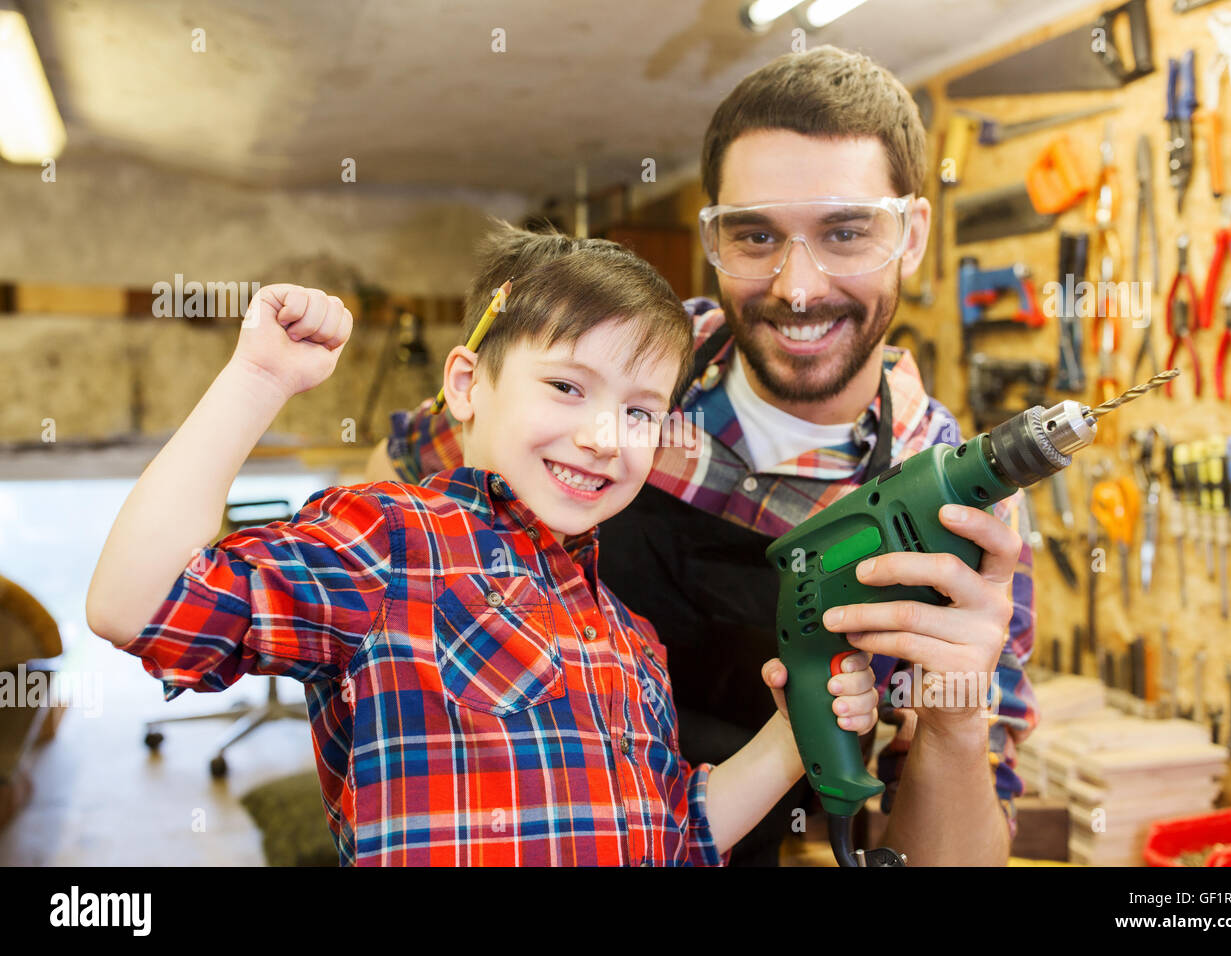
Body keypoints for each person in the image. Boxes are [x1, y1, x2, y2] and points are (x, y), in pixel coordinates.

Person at [369, 46, 1038, 867]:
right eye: (755, 235)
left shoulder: (956, 510)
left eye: (846, 231)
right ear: (713, 233)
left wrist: (956, 720)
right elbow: (394, 471)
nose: (797, 287)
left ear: (912, 235)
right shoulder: (615, 366)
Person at [85, 224, 879, 866]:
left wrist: (789, 738)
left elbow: (680, 836)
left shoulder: (630, 638)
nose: (605, 437)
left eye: (640, 413)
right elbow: (135, 603)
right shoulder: (392, 542)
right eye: (567, 387)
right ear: (465, 386)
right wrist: (258, 379)